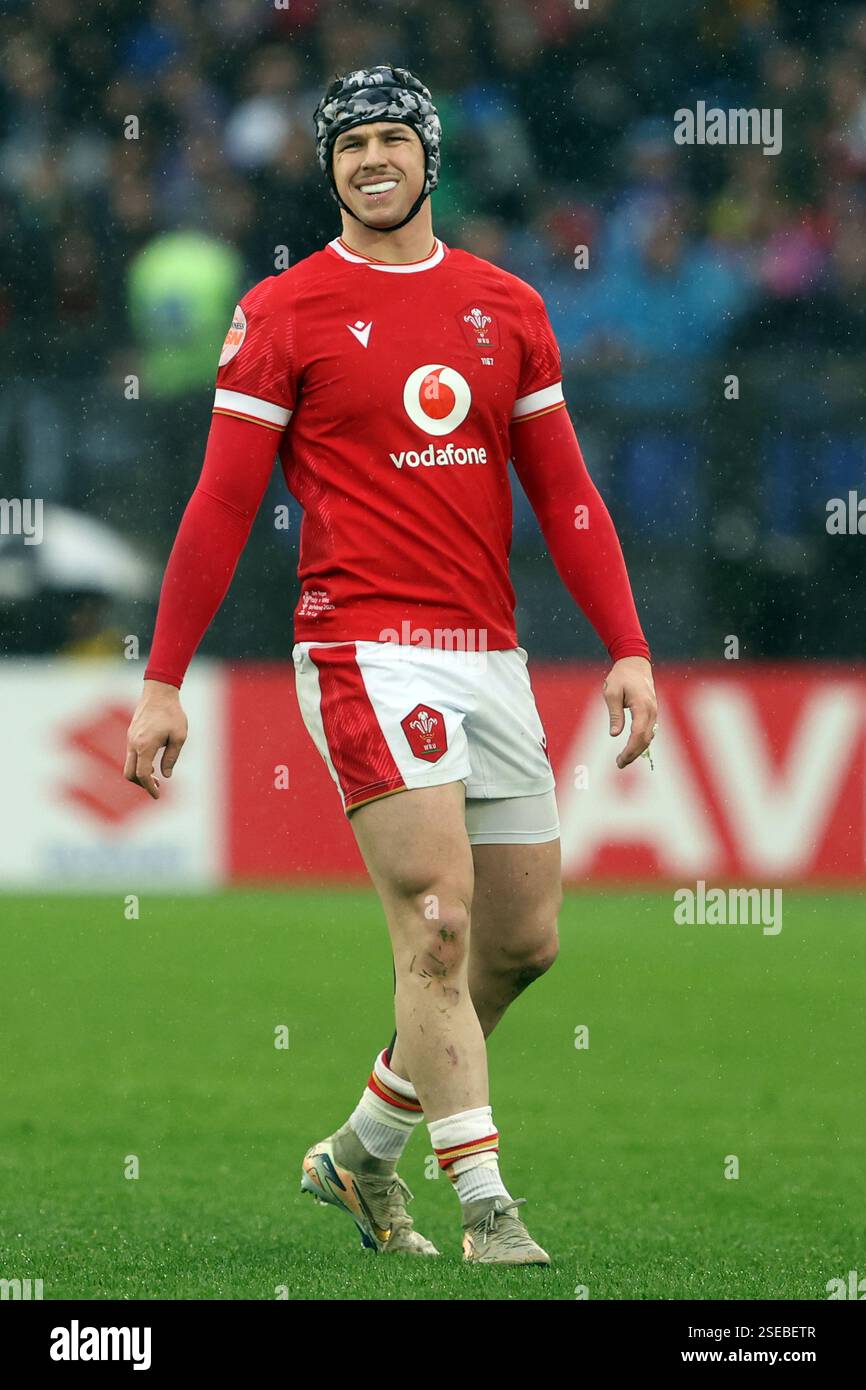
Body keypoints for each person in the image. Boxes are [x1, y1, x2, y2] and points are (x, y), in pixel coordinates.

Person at [124, 65, 657, 1267]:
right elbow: (220, 503)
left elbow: (564, 495)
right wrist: (163, 676)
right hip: (362, 646)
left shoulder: (506, 304)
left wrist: (624, 646)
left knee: (520, 944)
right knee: (436, 922)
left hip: (490, 653)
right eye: (350, 142)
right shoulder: (284, 310)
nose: (372, 158)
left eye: (391, 138)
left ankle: (358, 1153)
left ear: (428, 157)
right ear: (329, 168)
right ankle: (485, 1206)